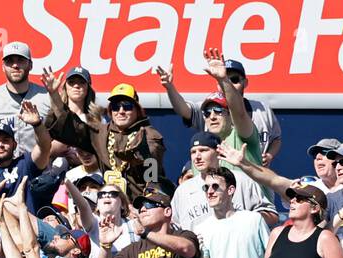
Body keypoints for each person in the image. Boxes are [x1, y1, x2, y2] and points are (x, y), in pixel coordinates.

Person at [44, 78, 167, 202]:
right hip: (108, 205)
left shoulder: (148, 137)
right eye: (115, 107)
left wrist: (144, 207)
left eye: (127, 106)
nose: (121, 111)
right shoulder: (101, 133)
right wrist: (55, 96)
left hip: (138, 207)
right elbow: (72, 127)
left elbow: (152, 180)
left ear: (137, 109)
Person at [154, 56, 282, 164]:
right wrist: (170, 88)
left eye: (234, 80)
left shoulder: (262, 110)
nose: (212, 115)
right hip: (218, 183)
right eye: (225, 79)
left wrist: (270, 155)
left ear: (245, 83)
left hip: (255, 181)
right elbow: (184, 110)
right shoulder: (209, 108)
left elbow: (276, 139)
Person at [171, 133, 276, 232]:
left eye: (203, 150)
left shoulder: (242, 180)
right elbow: (174, 226)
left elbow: (271, 216)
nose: (197, 157)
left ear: (218, 152)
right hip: (199, 250)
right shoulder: (182, 191)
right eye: (193, 152)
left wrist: (245, 220)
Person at [0, 43, 53, 157]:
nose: (15, 65)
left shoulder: (47, 98)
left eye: (21, 60)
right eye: (9, 61)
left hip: (39, 171)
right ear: (3, 66)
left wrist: (42, 155)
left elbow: (64, 139)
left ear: (30, 65)